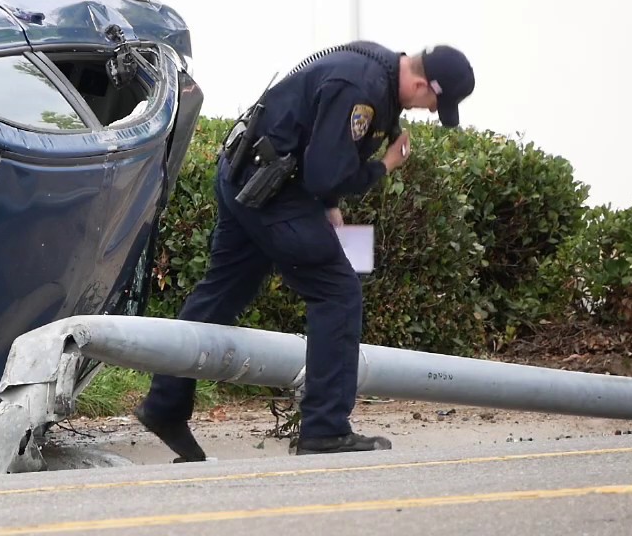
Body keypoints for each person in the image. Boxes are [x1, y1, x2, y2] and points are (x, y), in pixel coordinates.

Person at [135, 41, 476, 459]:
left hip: (244, 176)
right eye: (432, 103)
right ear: (422, 83)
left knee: (222, 292)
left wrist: (330, 205)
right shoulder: (363, 88)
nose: (427, 111)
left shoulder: (373, 67)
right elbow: (324, 173)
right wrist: (383, 167)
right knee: (337, 292)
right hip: (273, 192)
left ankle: (164, 406)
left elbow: (316, 140)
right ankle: (325, 429)